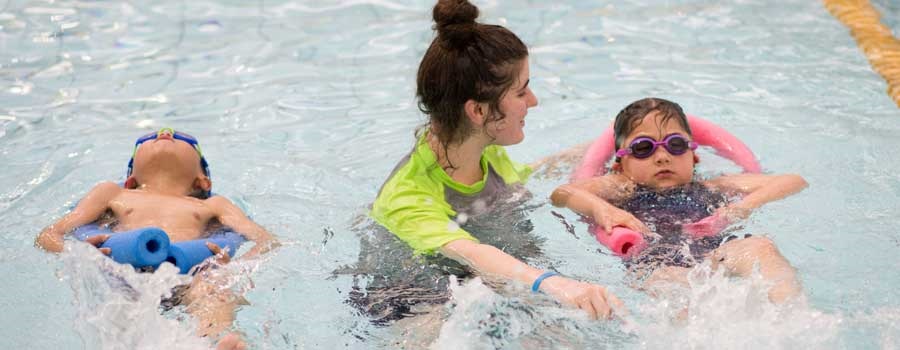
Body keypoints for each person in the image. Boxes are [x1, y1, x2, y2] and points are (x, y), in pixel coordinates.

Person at [365, 0, 623, 323]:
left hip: (483, 282)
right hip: (410, 303)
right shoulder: (407, 196)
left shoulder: (483, 147)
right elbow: (471, 252)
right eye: (521, 92)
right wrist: (557, 284)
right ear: (478, 111)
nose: (534, 101)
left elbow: (525, 178)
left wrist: (608, 148)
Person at [35, 128, 278, 350]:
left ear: (203, 180)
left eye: (183, 139)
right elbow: (48, 235)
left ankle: (214, 341)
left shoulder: (214, 204)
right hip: (122, 274)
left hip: (190, 274)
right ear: (131, 179)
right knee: (116, 308)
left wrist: (230, 268)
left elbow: (267, 241)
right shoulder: (113, 192)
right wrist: (83, 253)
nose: (165, 133)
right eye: (149, 138)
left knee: (211, 290)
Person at [551, 97, 807, 303]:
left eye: (675, 144)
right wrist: (602, 209)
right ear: (620, 164)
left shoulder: (713, 185)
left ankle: (792, 315)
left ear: (694, 157)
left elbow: (793, 180)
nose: (662, 156)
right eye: (643, 148)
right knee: (670, 283)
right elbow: (562, 194)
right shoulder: (622, 186)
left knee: (760, 246)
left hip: (715, 258)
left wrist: (739, 208)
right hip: (656, 268)